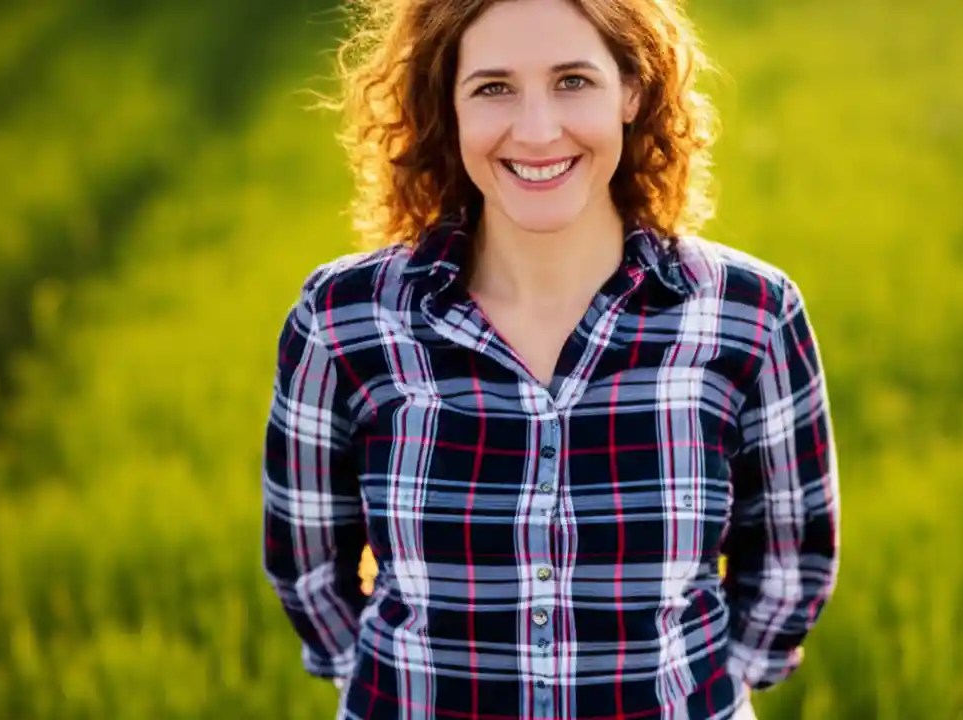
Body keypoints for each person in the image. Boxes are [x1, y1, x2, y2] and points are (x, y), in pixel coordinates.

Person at [260, 0, 841, 717]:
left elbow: (789, 562)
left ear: (632, 88)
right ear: (448, 103)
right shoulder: (343, 322)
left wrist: (700, 690)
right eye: (493, 87)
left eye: (572, 81)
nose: (536, 131)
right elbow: (308, 570)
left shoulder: (749, 315)